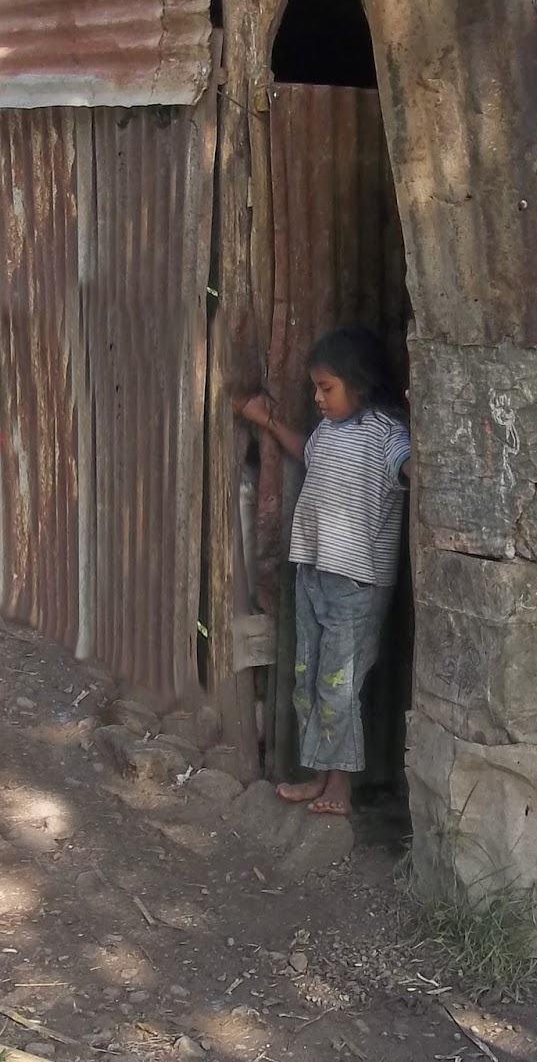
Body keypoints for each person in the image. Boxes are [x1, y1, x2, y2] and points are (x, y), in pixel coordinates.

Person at [236, 328, 410, 816]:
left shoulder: (389, 434)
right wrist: (267, 421)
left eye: (326, 387)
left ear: (360, 383)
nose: (317, 398)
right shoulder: (330, 432)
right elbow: (304, 450)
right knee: (308, 679)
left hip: (357, 584)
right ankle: (320, 775)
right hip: (313, 571)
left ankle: (341, 787)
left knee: (339, 683)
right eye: (316, 387)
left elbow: (413, 468)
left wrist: (430, 418)